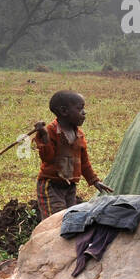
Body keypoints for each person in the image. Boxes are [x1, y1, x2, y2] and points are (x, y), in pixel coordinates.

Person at [33, 90, 112, 218]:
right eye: (80, 108)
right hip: (52, 185)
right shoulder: (50, 132)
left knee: (69, 218)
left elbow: (84, 162)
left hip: (70, 186)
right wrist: (44, 137)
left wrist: (94, 181)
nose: (84, 112)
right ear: (64, 111)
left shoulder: (79, 134)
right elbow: (47, 158)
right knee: (55, 220)